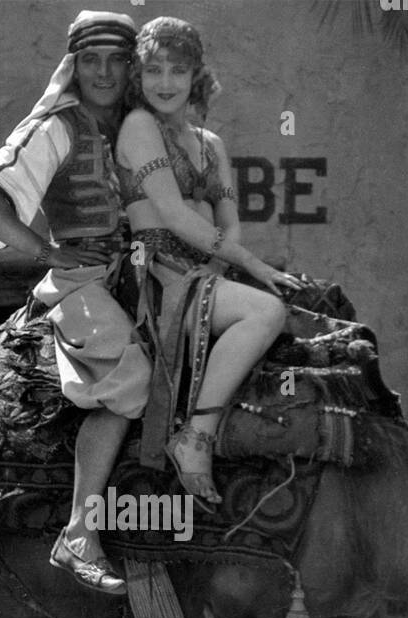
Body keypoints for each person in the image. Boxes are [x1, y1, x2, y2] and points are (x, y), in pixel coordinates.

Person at [0, 10, 150, 597]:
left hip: (147, 278)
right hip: (84, 282)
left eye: (117, 59)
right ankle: (79, 534)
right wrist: (45, 250)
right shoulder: (58, 125)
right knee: (130, 374)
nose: (104, 72)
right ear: (73, 65)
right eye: (91, 59)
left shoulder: (142, 124)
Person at [115, 16, 302, 506]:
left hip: (206, 271)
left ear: (196, 75)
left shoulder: (210, 144)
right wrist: (253, 266)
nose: (166, 83)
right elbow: (174, 215)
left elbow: (229, 219)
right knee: (265, 310)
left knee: (311, 309)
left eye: (178, 71)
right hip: (156, 271)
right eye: (153, 71)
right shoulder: (138, 126)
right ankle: (195, 438)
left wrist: (221, 266)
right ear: (138, 77)